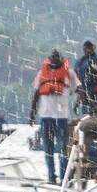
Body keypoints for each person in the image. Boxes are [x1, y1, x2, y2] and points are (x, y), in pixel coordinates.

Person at [30, 49, 80, 183]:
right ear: (49, 59)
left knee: (62, 149)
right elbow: (36, 94)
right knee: (49, 149)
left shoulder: (69, 73)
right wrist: (32, 113)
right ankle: (51, 177)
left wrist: (78, 102)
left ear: (61, 59)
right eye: (53, 58)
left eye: (57, 58)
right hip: (46, 116)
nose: (55, 60)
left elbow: (79, 89)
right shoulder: (42, 72)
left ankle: (63, 178)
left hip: (61, 117)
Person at [75, 41, 97, 115]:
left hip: (95, 97)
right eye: (86, 48)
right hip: (85, 99)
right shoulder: (81, 62)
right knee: (87, 118)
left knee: (96, 118)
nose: (88, 50)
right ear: (84, 48)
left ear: (93, 48)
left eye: (90, 47)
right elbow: (80, 85)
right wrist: (77, 101)